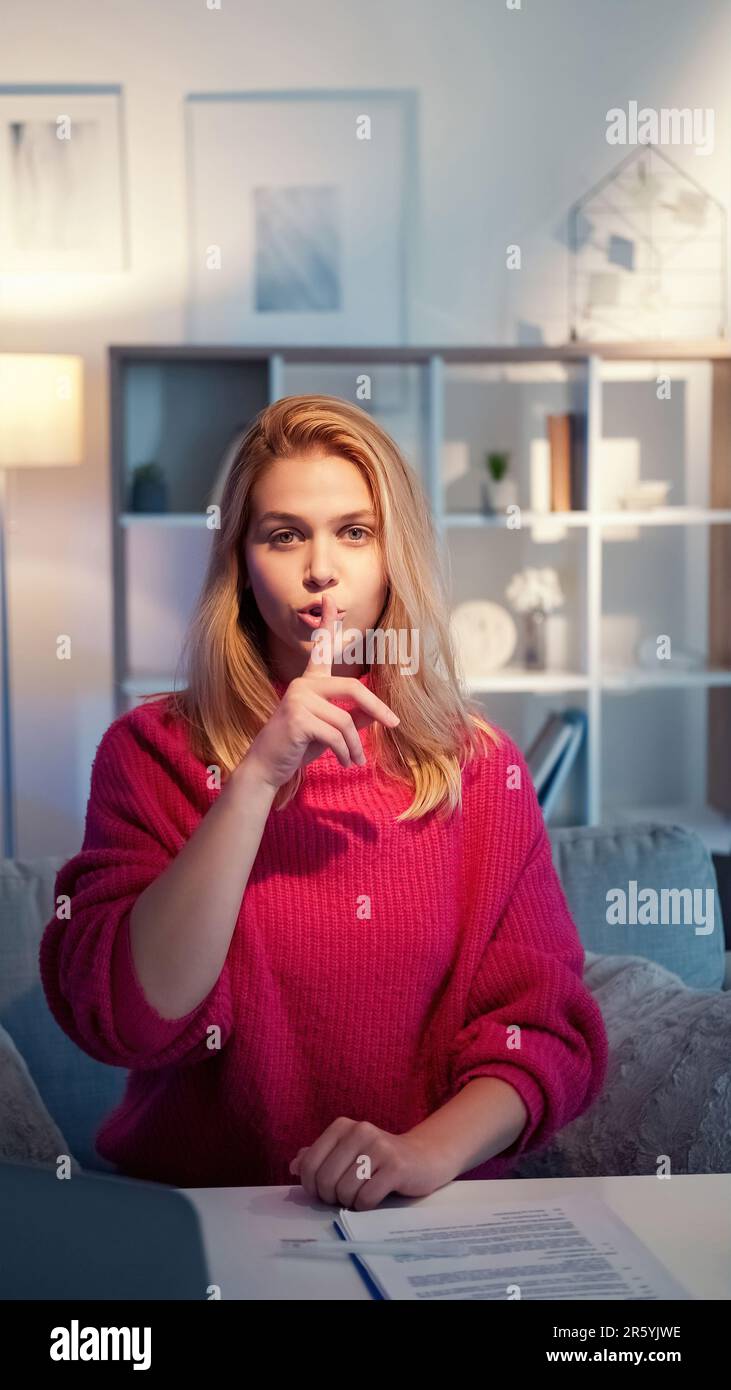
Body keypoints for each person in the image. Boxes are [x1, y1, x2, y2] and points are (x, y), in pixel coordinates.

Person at [39, 394, 608, 1207]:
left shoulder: (476, 766)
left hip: (423, 1220)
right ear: (240, 560)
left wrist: (419, 1154)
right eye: (284, 534)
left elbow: (545, 1034)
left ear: (393, 555)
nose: (320, 569)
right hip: (209, 1217)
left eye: (354, 531)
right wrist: (259, 777)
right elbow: (131, 1016)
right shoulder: (150, 752)